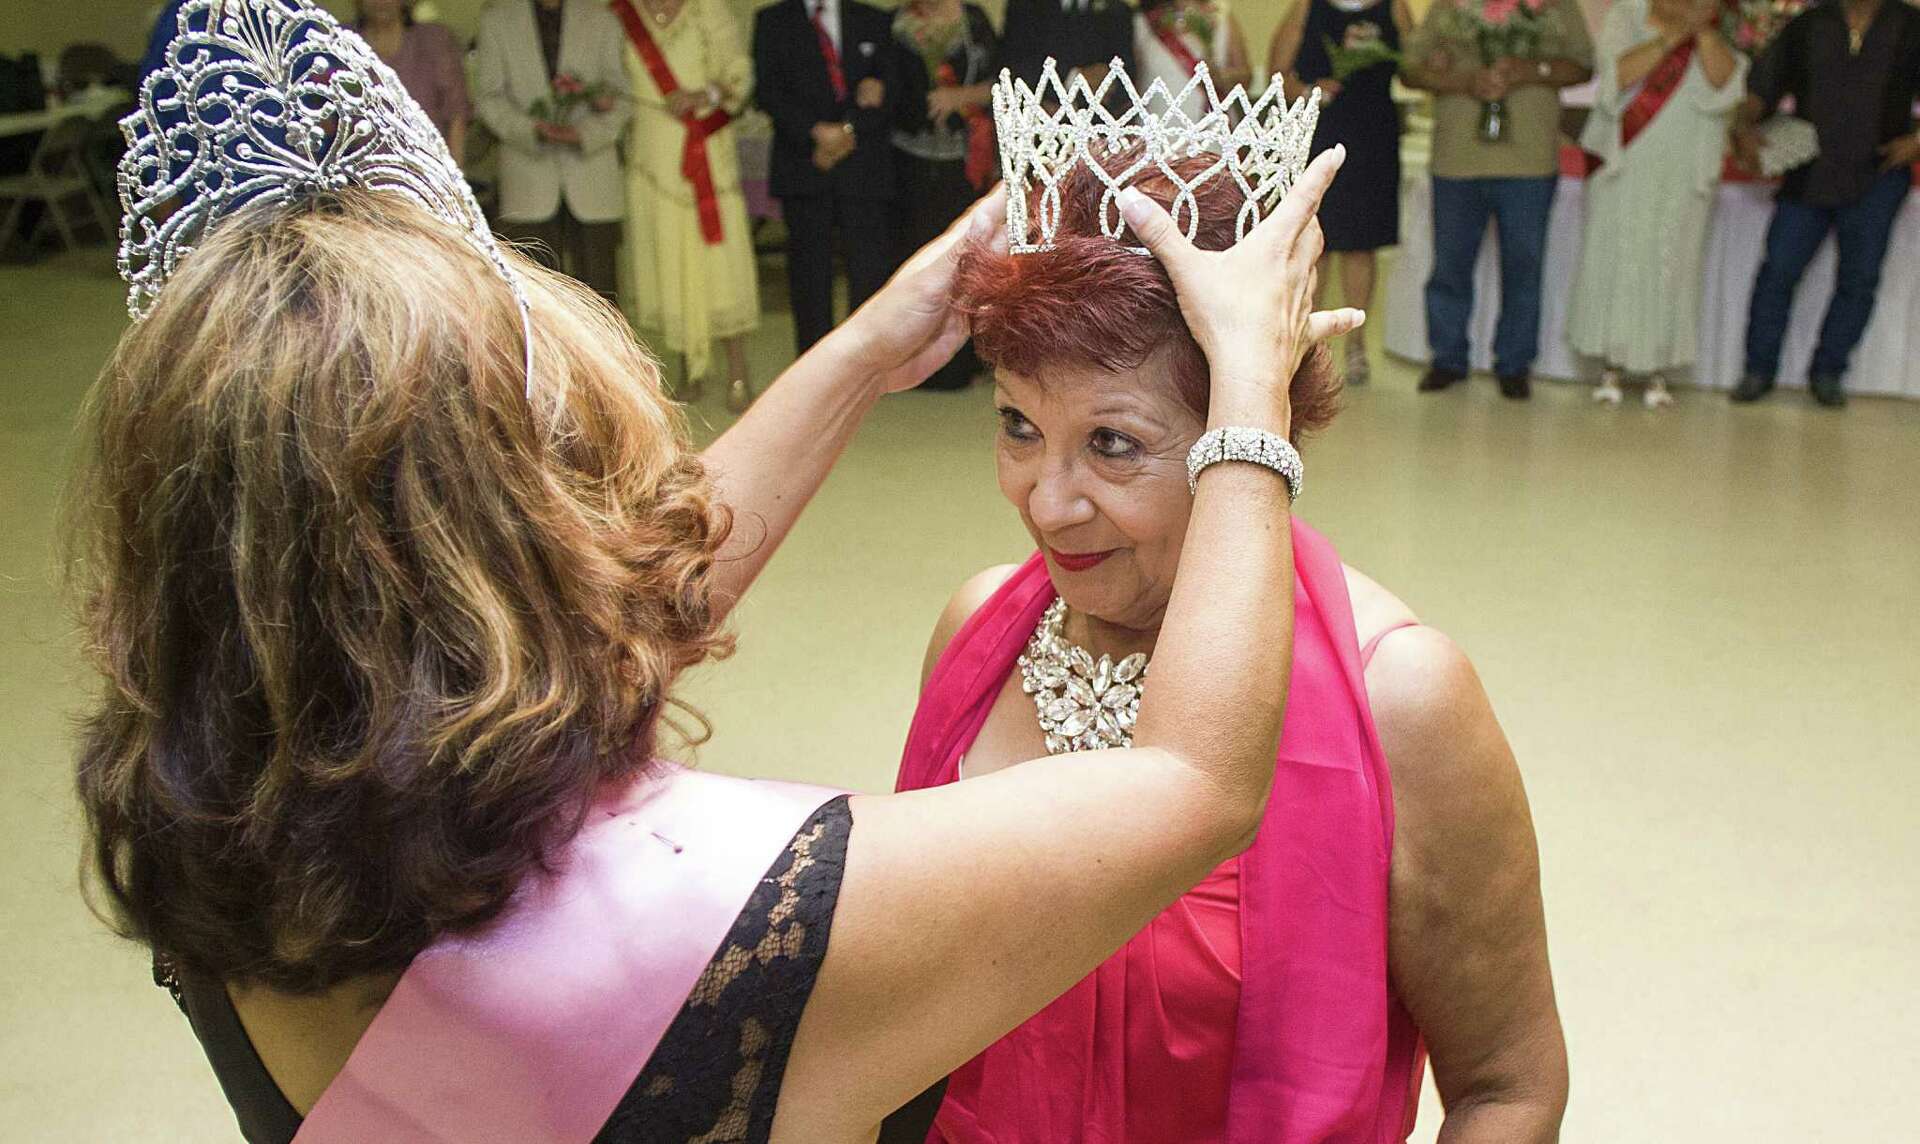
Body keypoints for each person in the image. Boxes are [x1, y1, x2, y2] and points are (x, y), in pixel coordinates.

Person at [80, 1, 1371, 1138]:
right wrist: (1248, 390)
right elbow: (1194, 781)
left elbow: (626, 613)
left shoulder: (221, 816)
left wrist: (866, 349)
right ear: (507, 549)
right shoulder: (732, 932)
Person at [899, 151, 1567, 1141]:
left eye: (1113, 442)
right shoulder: (979, 630)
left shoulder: (1400, 701)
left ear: (1250, 422)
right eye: (1017, 425)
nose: (1046, 500)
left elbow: (1508, 1087)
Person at [1729, 0, 1920, 409]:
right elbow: (1763, 87)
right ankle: (1758, 370)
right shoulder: (1809, 25)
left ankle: (1828, 371)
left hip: (1878, 174)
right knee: (1777, 272)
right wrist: (1743, 123)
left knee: (1858, 279)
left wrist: (1918, 141)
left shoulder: (1910, 25)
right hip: (1808, 173)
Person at [1402, 0, 1593, 399]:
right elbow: (1410, 68)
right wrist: (1462, 80)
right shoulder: (1450, 7)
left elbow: (1583, 65)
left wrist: (1531, 70)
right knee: (1450, 266)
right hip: (1457, 158)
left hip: (1530, 160)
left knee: (1524, 266)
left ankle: (1514, 362)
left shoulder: (1554, 7)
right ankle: (1448, 358)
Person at [1568, 0, 1744, 410]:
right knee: (1619, 257)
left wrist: (1703, 29)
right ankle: (1610, 364)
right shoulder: (1626, 13)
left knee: (1673, 262)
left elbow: (1725, 82)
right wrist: (1674, 34)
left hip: (1684, 163)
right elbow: (1619, 75)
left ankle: (1659, 370)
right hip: (1627, 158)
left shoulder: (1719, 18)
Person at [612, 0, 762, 412]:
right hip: (652, 157)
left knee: (720, 260)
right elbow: (609, 81)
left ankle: (737, 368)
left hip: (706, 150)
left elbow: (739, 74)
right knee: (668, 259)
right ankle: (687, 369)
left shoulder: (708, 9)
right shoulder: (620, 14)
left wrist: (705, 93)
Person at [1271, 0, 1413, 386]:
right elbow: (1278, 72)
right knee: (1315, 241)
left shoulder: (1393, 7)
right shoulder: (1308, 7)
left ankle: (1355, 346)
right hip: (1320, 133)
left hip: (1373, 136)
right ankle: (1307, 345)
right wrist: (1309, 90)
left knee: (1361, 243)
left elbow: (1414, 66)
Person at [754, 0, 899, 357]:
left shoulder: (872, 18)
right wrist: (815, 133)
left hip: (862, 163)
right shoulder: (772, 20)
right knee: (808, 273)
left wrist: (846, 133)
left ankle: (869, 359)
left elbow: (890, 89)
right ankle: (815, 362)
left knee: (867, 268)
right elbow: (767, 92)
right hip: (804, 162)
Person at [473, 0, 631, 304]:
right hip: (527, 173)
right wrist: (530, 129)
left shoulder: (603, 20)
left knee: (602, 293)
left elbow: (623, 98)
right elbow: (488, 99)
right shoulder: (497, 20)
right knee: (533, 293)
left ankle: (601, 354)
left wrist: (585, 133)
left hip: (592, 172)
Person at [889, 0, 998, 391]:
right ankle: (916, 366)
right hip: (910, 164)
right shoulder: (898, 23)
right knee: (918, 259)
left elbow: (1003, 78)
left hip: (966, 161)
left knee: (968, 261)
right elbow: (889, 92)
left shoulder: (974, 20)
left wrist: (961, 97)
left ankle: (964, 363)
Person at [356, 0, 472, 164]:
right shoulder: (339, 40)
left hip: (425, 172)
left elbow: (457, 113)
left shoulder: (435, 41)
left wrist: (454, 177)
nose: (380, 2)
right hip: (357, 175)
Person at [1134, 0, 1252, 118]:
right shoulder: (1144, 19)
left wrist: (1219, 78)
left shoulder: (1220, 14)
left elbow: (1245, 79)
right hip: (1157, 127)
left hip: (1212, 128)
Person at [998, 0, 1135, 96]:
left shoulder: (1118, 10)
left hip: (1100, 125)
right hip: (1042, 120)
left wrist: (1108, 80)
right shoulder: (1023, 5)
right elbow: (1013, 62)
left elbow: (1128, 72)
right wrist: (1072, 78)